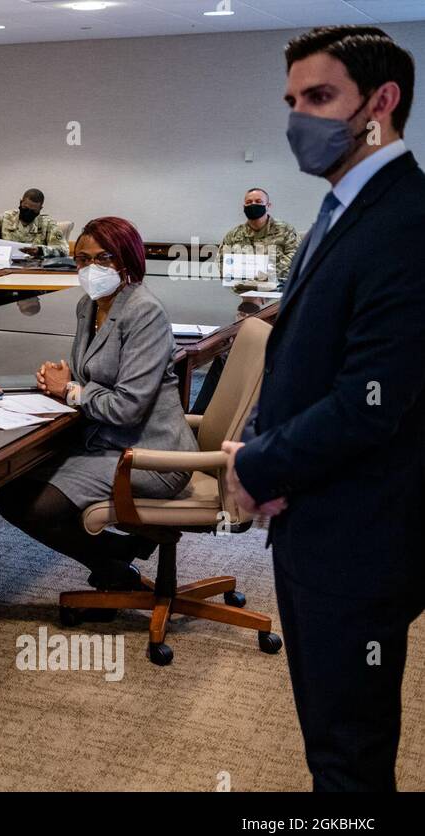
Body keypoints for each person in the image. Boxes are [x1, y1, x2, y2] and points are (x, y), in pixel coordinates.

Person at [224, 26, 424, 791]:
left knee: (349, 753)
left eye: (319, 98)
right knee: (332, 739)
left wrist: (259, 461)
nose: (297, 119)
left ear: (381, 103)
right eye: (290, 101)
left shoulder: (405, 220)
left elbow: (370, 400)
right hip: (318, 510)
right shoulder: (343, 207)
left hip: (362, 531)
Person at [0, 216, 197, 599]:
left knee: (33, 506)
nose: (92, 268)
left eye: (104, 258)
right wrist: (65, 377)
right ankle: (117, 557)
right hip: (107, 443)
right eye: (83, 259)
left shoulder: (144, 312)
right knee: (13, 490)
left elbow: (127, 407)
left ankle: (115, 560)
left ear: (127, 260)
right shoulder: (90, 306)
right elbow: (96, 376)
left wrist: (70, 391)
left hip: (152, 456)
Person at [217, 188, 299, 284]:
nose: (253, 204)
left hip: (278, 289)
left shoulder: (285, 231)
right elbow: (222, 261)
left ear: (268, 206)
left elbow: (296, 259)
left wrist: (267, 275)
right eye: (249, 202)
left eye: (258, 201)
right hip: (244, 289)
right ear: (244, 207)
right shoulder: (234, 235)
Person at [0, 188, 69, 258]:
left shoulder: (48, 224)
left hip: (36, 270)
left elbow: (64, 251)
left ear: (40, 209)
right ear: (21, 202)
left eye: (33, 210)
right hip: (5, 268)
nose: (28, 212)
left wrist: (40, 251)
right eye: (25, 208)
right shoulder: (5, 218)